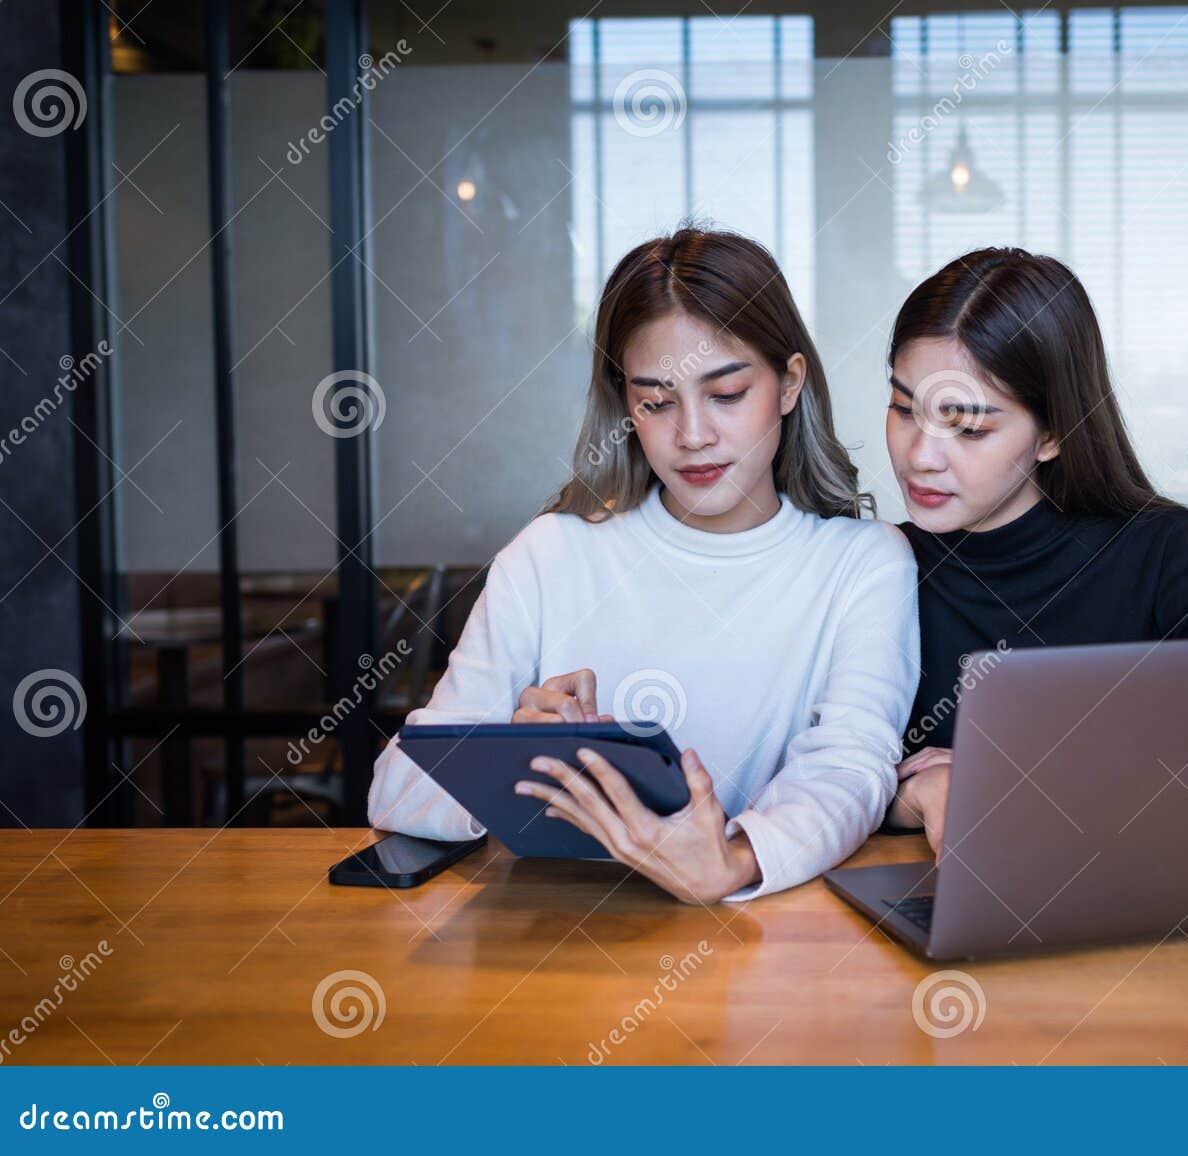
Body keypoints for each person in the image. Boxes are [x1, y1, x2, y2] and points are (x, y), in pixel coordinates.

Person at [367, 226, 919, 903]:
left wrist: (734, 859)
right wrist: (506, 750)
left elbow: (850, 767)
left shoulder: (861, 564)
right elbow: (396, 790)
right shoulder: (552, 554)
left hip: (762, 949)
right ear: (625, 401)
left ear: (788, 385)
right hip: (569, 951)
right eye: (655, 402)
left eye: (726, 394)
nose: (692, 436)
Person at [882, 247, 1188, 856]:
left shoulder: (1164, 552)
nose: (920, 455)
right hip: (936, 899)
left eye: (969, 428)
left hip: (1146, 900)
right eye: (904, 410)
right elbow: (814, 781)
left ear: (1054, 432)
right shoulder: (881, 566)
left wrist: (1018, 774)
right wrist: (916, 798)